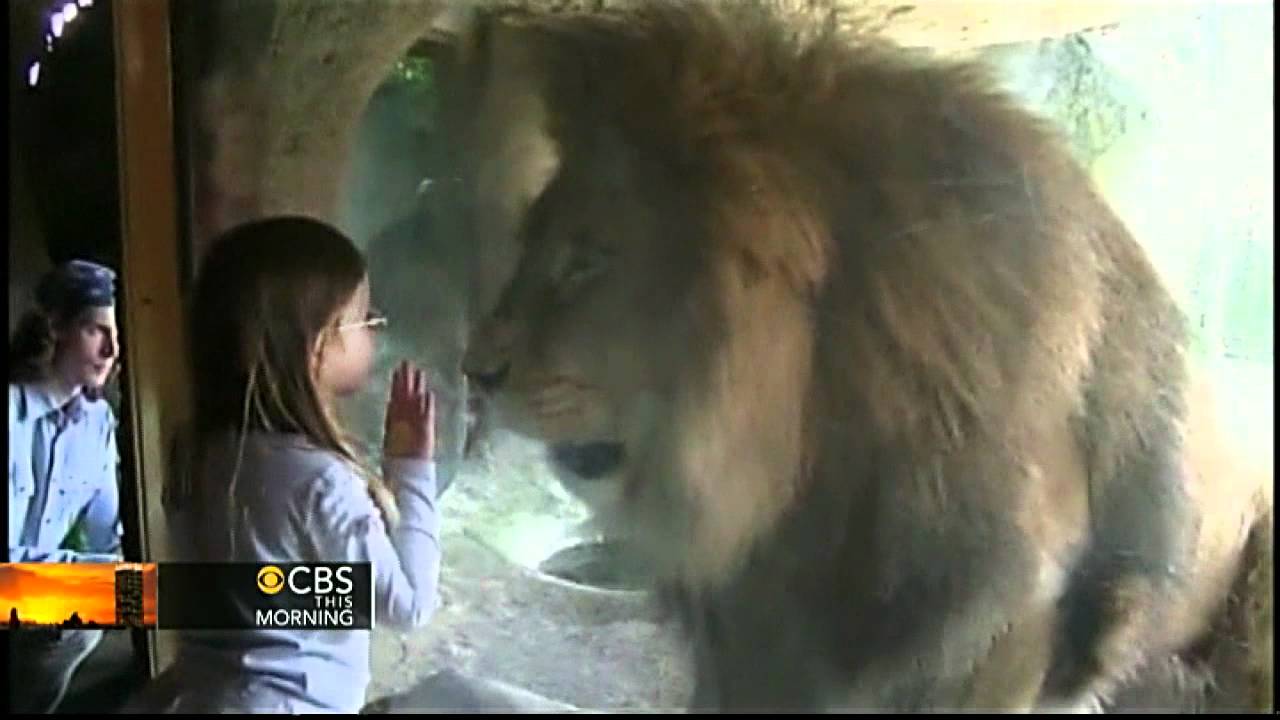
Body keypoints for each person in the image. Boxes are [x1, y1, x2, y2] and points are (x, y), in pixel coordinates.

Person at [126, 216, 443, 713]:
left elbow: (265, 605)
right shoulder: (318, 482)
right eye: (365, 317)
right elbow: (408, 603)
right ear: (317, 344)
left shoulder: (197, 452)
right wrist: (412, 469)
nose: (376, 331)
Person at [8, 258, 126, 713]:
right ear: (56, 328)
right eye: (96, 331)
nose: (112, 349)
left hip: (36, 604)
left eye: (115, 335)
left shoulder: (97, 423)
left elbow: (107, 534)